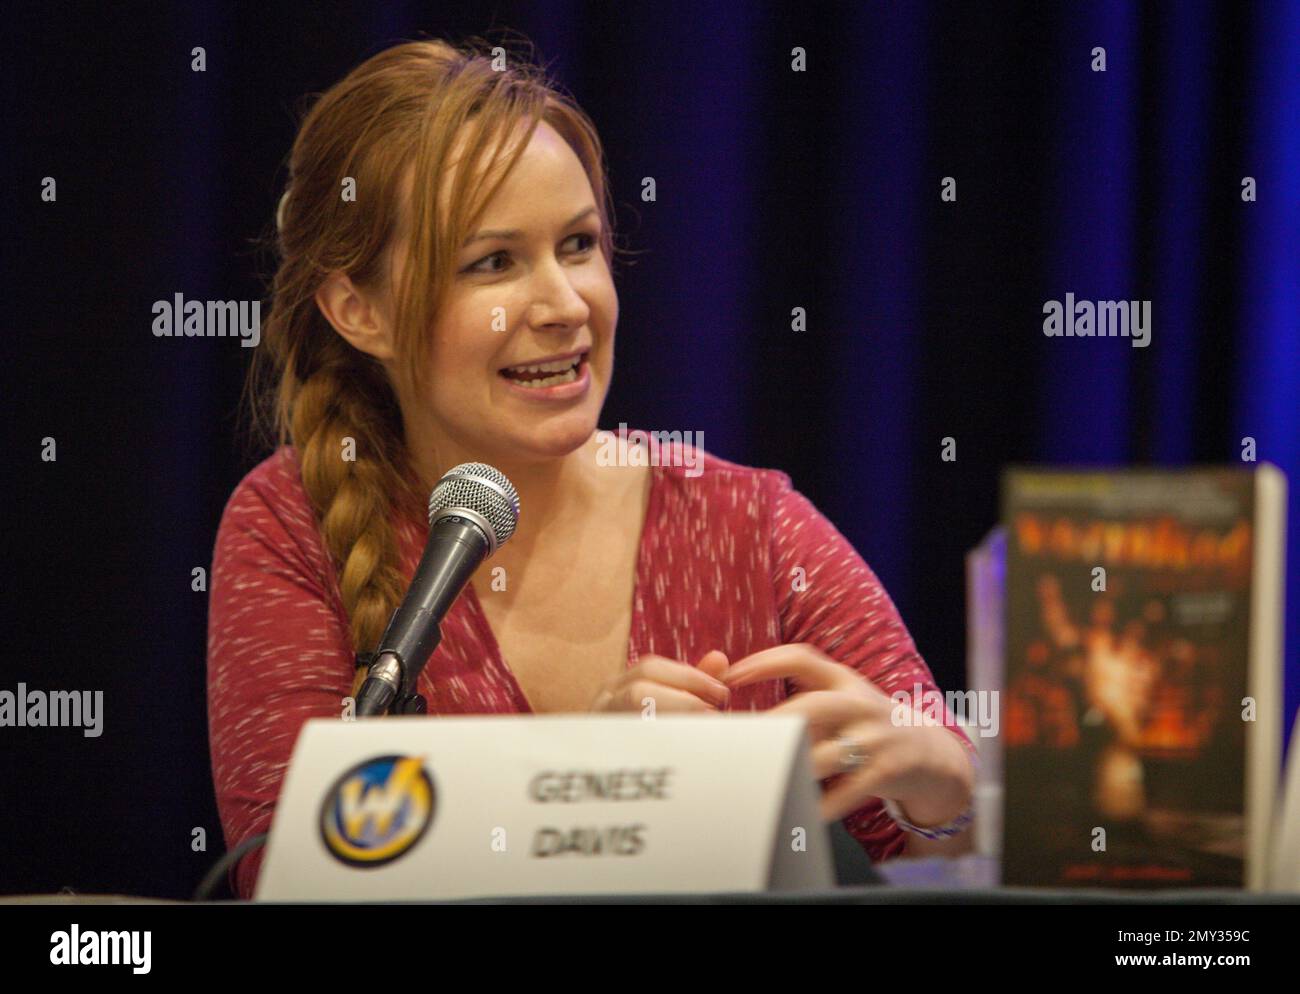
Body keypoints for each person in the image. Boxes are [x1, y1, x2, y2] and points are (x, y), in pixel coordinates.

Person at [207, 38, 976, 900]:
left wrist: (945, 791)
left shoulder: (747, 522)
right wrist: (579, 786)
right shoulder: (289, 523)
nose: (567, 304)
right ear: (358, 309)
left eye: (578, 245)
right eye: (493, 262)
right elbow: (288, 875)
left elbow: (951, 826)